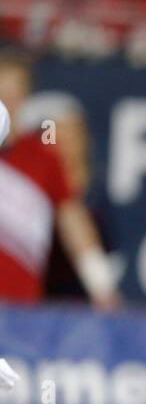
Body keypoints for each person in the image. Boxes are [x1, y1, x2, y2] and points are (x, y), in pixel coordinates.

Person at [0, 52, 116, 307]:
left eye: (13, 92)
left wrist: (102, 287)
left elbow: (72, 220)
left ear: (26, 97)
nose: (6, 100)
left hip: (21, 307)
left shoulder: (44, 158)